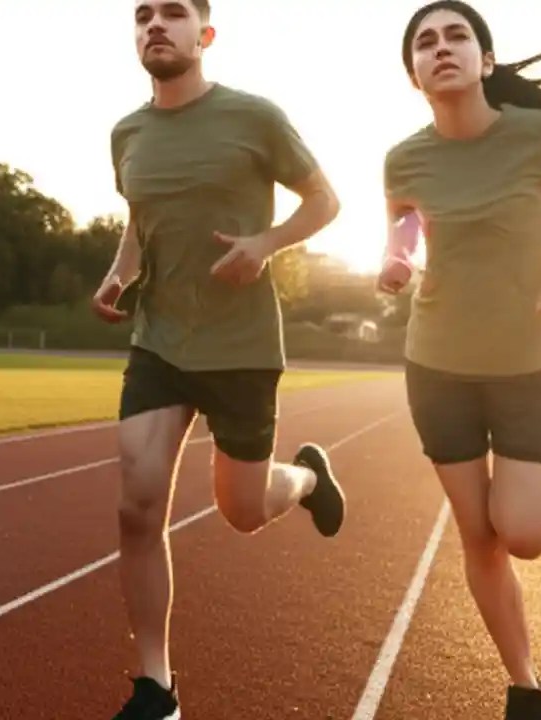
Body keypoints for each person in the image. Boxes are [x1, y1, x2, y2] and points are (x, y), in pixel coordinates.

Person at [378, 2, 541, 718]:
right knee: (478, 538)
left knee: (523, 533)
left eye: (457, 35)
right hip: (437, 367)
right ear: (415, 75)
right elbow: (403, 223)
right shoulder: (404, 157)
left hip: (528, 370)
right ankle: (524, 684)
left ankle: (510, 513)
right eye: (425, 42)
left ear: (486, 61)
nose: (442, 47)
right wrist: (396, 263)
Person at [92, 1, 347, 718]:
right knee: (136, 507)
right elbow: (139, 223)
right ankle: (156, 687)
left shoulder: (255, 116)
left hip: (240, 348)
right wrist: (119, 273)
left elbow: (325, 200)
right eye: (142, 14)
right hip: (159, 342)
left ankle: (303, 476)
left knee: (242, 510)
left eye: (172, 13)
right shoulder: (127, 134)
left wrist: (264, 245)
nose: (154, 25)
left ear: (204, 35)